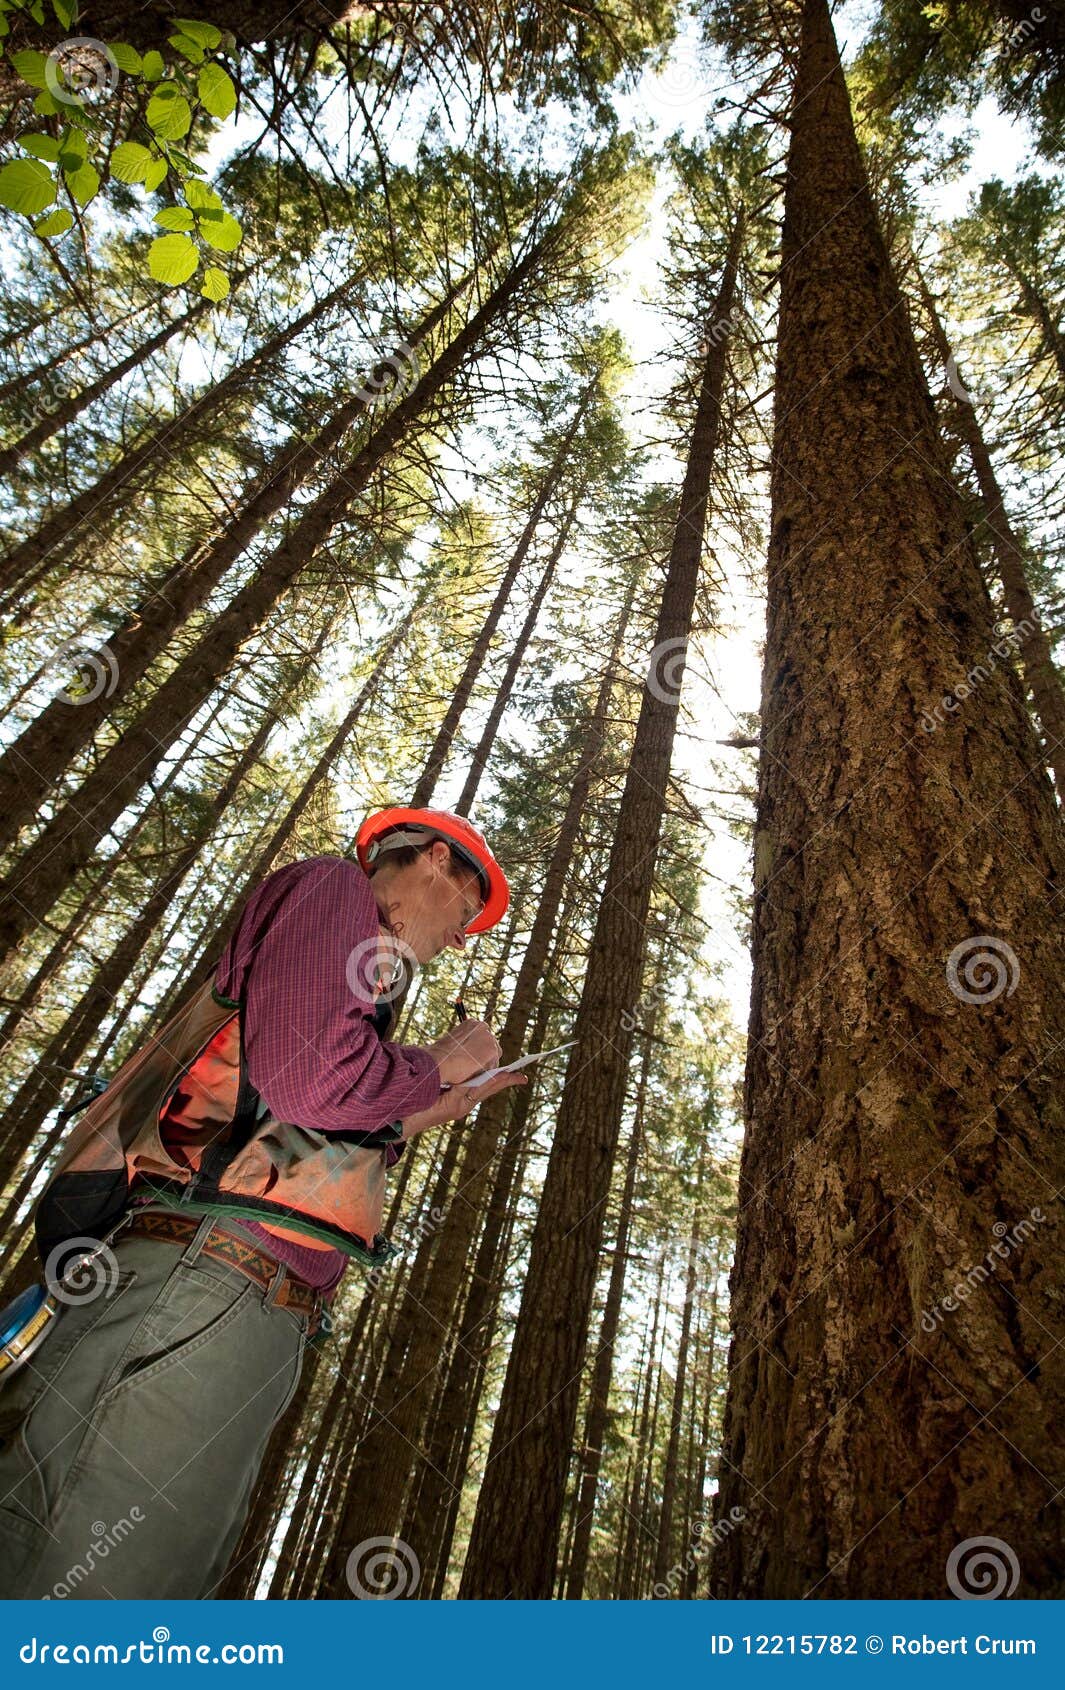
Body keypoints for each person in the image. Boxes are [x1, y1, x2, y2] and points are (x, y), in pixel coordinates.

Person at [0, 807, 525, 1599]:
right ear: (436, 861)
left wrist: (429, 1104)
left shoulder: (355, 976)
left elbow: (289, 1136)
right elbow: (310, 1081)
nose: (459, 939)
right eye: (465, 912)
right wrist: (433, 1064)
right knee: (95, 1590)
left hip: (224, 1301)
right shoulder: (332, 890)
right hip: (202, 1285)